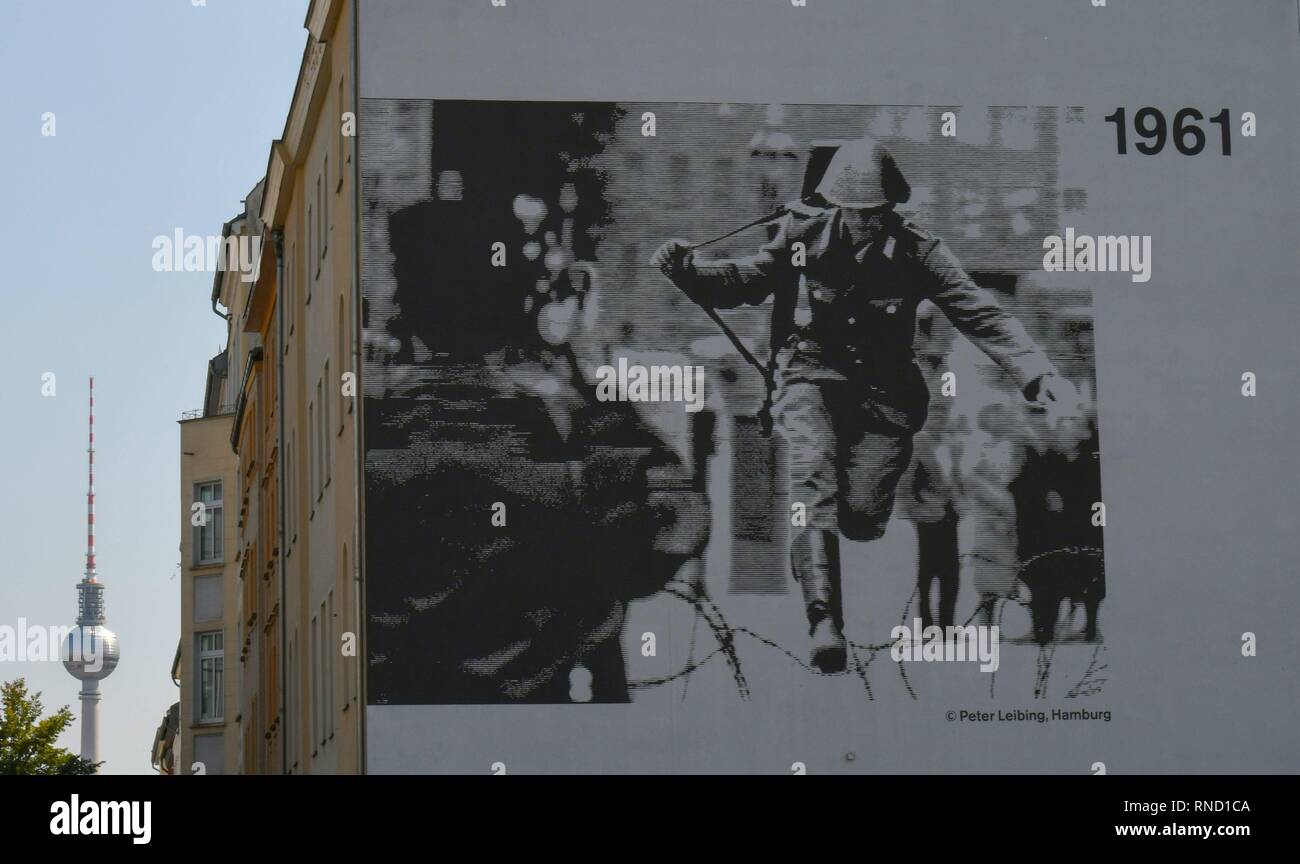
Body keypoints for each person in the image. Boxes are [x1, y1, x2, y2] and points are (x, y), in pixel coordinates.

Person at [652, 136, 1076, 672]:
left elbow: (980, 313)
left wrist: (1037, 373)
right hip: (812, 376)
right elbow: (748, 280)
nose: (863, 223)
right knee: (812, 481)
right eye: (853, 212)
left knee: (861, 519)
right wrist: (688, 270)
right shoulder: (803, 233)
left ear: (889, 208)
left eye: (874, 213)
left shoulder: (920, 250)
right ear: (836, 204)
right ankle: (825, 623)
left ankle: (847, 534)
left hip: (885, 396)